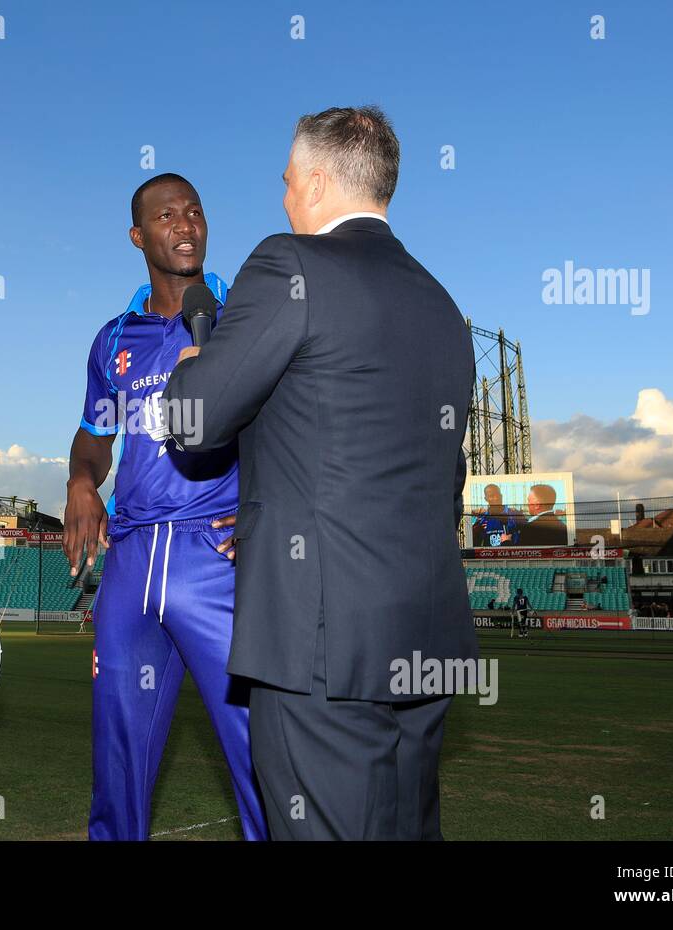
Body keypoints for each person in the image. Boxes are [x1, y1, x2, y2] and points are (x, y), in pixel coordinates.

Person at [165, 105, 476, 840]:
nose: (282, 198)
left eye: (284, 181)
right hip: (424, 634)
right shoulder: (442, 305)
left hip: (323, 642)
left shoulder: (290, 264)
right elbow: (435, 475)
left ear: (311, 180)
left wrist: (193, 366)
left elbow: (194, 426)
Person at [65, 173, 265, 841]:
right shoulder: (113, 338)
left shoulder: (247, 315)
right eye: (166, 215)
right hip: (130, 560)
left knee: (262, 750)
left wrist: (272, 503)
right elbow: (95, 439)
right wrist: (81, 483)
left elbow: (297, 422)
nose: (184, 224)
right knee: (117, 757)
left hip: (218, 555)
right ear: (138, 235)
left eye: (194, 212)